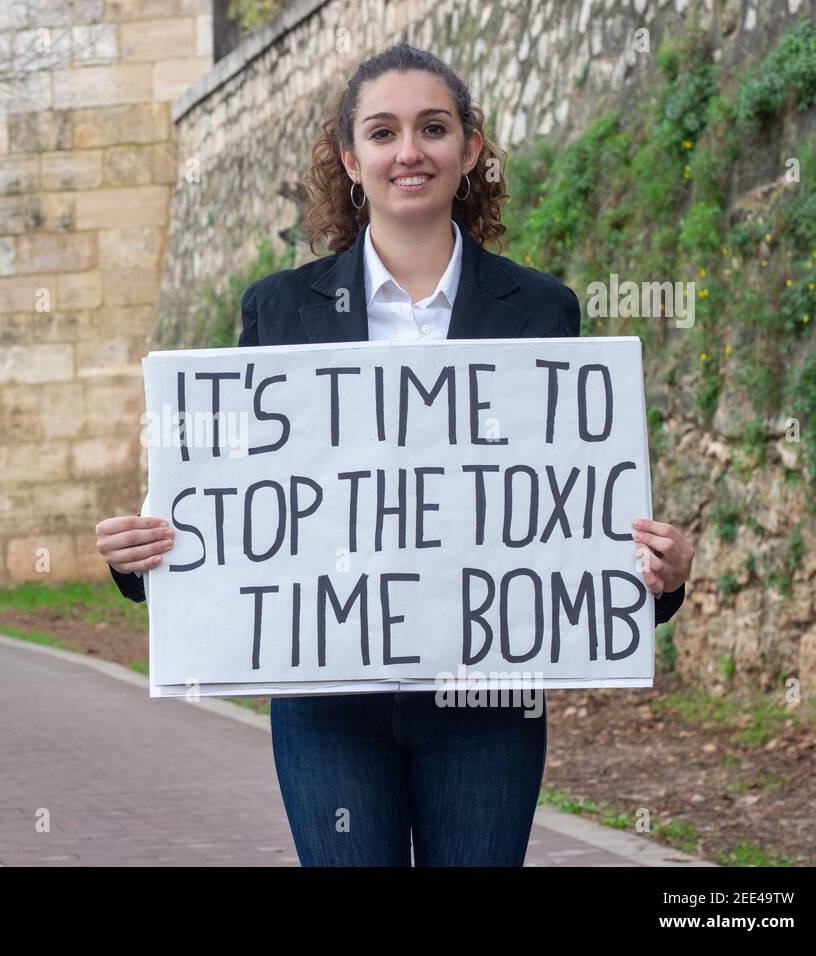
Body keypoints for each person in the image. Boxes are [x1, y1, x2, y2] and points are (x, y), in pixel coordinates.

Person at [95, 43, 695, 866]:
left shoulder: (541, 311)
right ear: (351, 158)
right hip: (328, 708)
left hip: (487, 705)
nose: (409, 151)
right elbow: (239, 504)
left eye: (433, 128)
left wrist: (662, 576)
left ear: (469, 149)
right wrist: (140, 558)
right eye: (383, 132)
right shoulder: (278, 310)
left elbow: (568, 512)